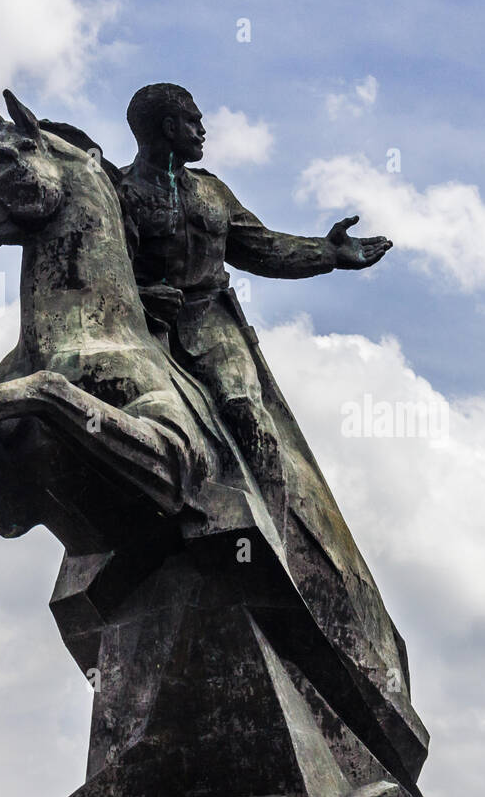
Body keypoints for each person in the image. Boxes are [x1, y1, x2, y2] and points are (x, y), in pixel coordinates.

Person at [116, 82, 391, 506]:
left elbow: (261, 248)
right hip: (143, 330)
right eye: (194, 121)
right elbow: (101, 271)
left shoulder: (212, 193)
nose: (203, 130)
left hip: (211, 326)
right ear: (169, 127)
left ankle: (271, 540)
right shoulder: (120, 193)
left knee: (246, 411)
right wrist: (141, 296)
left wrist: (329, 253)